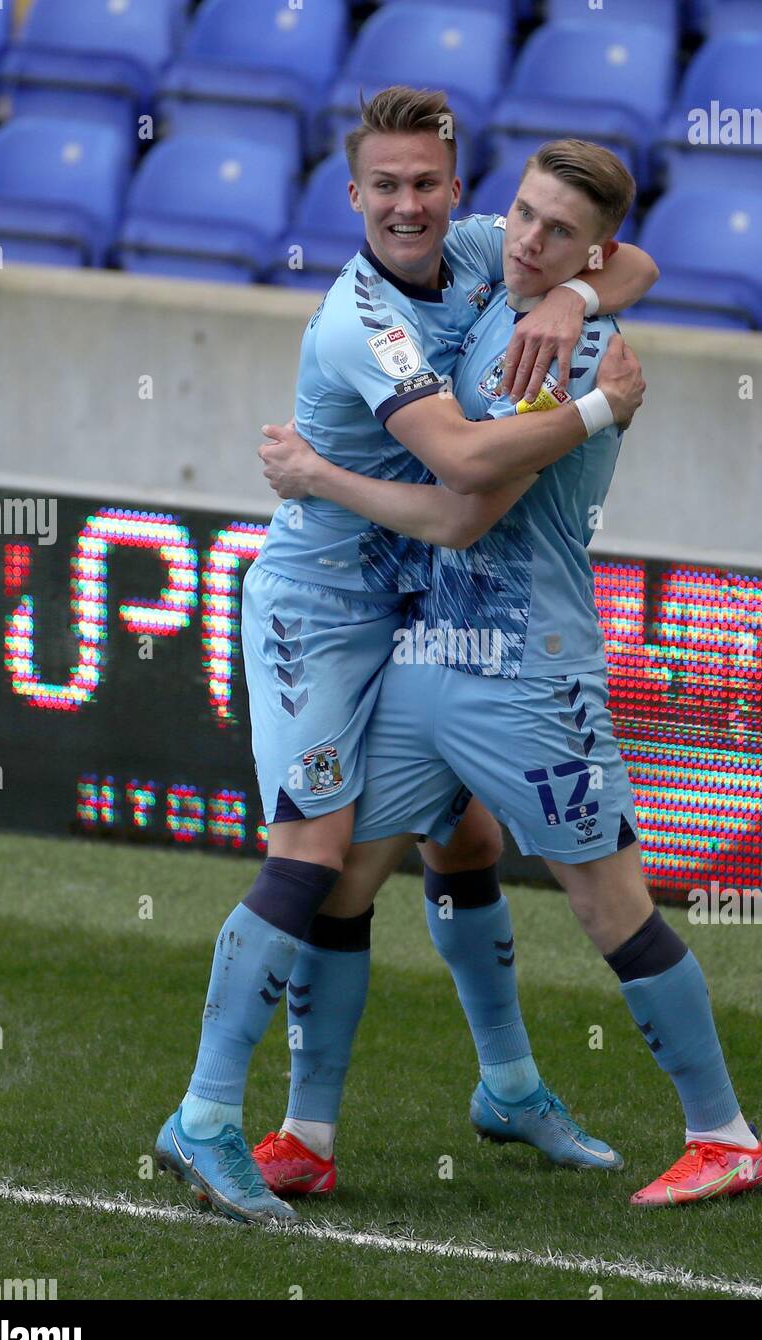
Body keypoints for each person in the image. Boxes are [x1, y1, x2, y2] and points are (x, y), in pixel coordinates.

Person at [155, 88, 656, 1224]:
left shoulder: (487, 247)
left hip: (416, 604)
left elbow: (639, 266)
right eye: (383, 186)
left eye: (425, 182)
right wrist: (597, 409)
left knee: (462, 832)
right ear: (351, 197)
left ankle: (507, 1087)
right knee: (315, 852)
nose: (406, 204)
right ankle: (206, 1115)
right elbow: (460, 489)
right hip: (321, 611)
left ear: (457, 189)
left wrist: (575, 295)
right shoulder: (359, 319)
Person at [256, 139, 762, 1209]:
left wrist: (316, 476)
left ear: (594, 243)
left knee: (606, 902)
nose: (530, 241)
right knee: (345, 880)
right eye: (525, 216)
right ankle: (307, 1133)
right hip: (422, 654)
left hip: (526, 667)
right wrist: (576, 288)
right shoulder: (499, 277)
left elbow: (466, 504)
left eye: (561, 234)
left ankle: (721, 1134)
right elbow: (633, 268)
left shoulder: (582, 357)